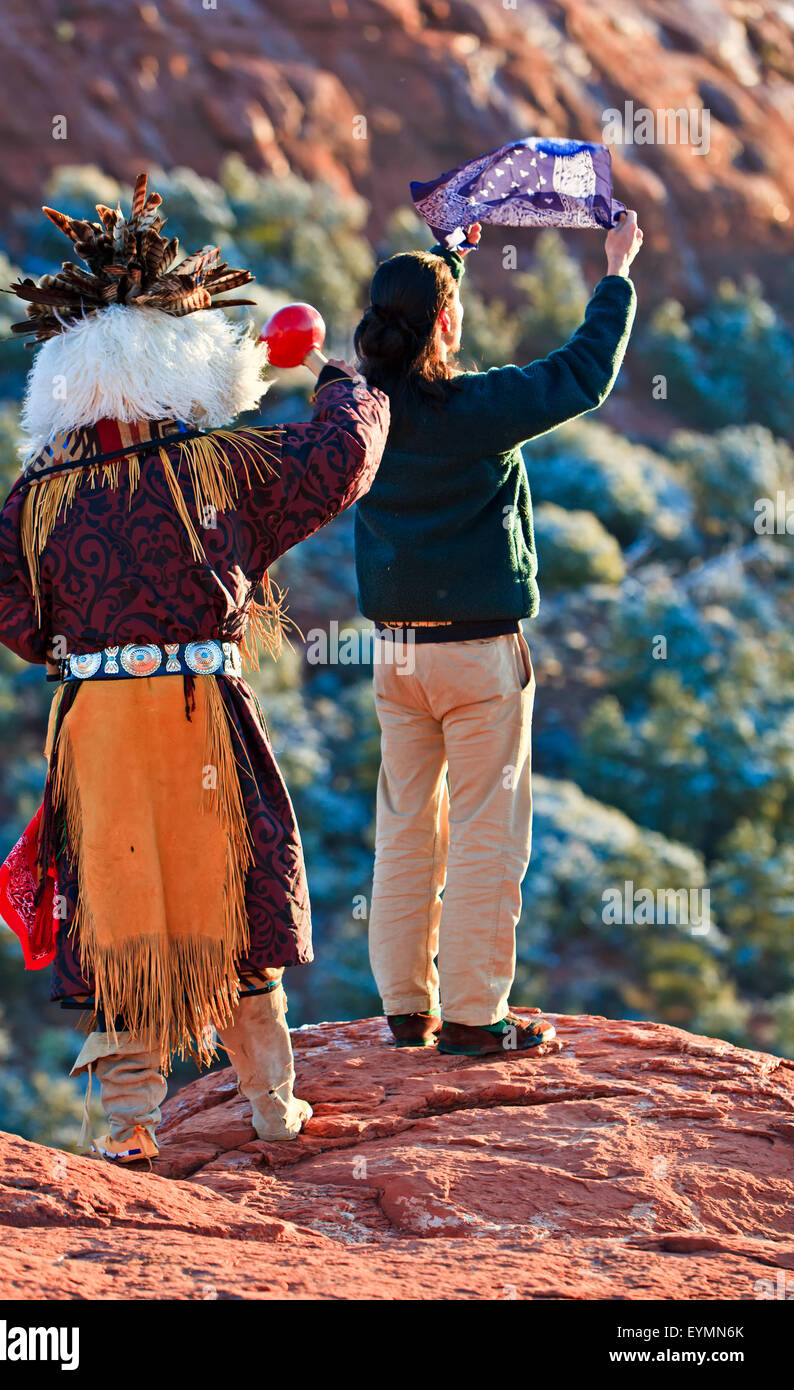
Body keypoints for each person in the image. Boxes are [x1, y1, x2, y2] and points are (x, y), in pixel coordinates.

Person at [0, 174, 389, 1162]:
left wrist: (70, 645)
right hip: (200, 706)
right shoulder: (217, 466)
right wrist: (340, 373)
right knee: (229, 901)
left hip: (94, 725)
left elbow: (6, 607)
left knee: (120, 914)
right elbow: (340, 460)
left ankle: (127, 1127)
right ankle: (273, 1110)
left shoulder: (35, 502)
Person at [353, 210, 642, 1056]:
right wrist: (617, 272)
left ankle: (407, 1009)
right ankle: (478, 1019)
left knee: (406, 825)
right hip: (478, 653)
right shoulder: (478, 409)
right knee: (486, 830)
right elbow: (583, 374)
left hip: (398, 655)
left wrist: (448, 263)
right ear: (448, 321)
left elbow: (414, 334)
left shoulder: (357, 404)